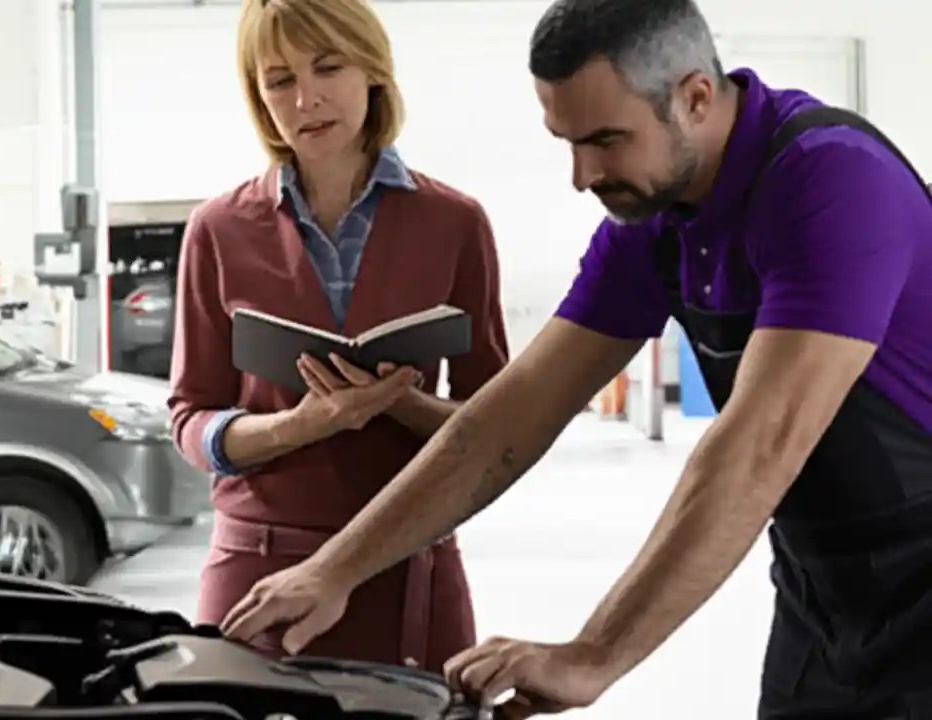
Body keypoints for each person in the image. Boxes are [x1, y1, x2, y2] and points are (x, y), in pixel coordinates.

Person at [218, 0, 932, 717]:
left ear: (694, 97)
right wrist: (332, 572)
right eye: (566, 142)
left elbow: (757, 447)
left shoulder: (831, 183)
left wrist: (594, 655)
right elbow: (511, 415)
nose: (582, 175)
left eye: (605, 140)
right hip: (825, 592)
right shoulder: (652, 216)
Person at [167, 0, 511, 672]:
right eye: (279, 81)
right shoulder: (217, 229)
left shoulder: (455, 222)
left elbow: (497, 425)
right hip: (256, 564)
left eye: (328, 67)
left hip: (409, 559)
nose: (306, 98)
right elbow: (190, 420)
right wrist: (305, 423)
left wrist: (396, 403)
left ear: (373, 70)